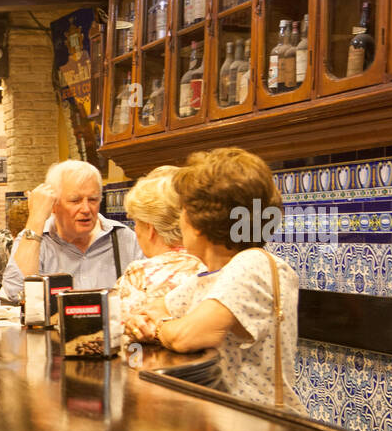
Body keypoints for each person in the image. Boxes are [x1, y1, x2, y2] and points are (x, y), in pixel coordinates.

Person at [124, 147, 304, 411]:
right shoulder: (207, 276)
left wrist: (157, 329)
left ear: (199, 221)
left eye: (183, 210)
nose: (180, 219)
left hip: (260, 430)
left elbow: (189, 335)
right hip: (223, 425)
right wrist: (142, 321)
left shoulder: (254, 264)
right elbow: (149, 311)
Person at [1, 159, 142, 300]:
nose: (86, 209)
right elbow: (16, 292)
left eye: (93, 199)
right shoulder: (36, 239)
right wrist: (36, 218)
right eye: (75, 201)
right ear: (54, 205)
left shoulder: (124, 238)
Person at [113, 165, 205, 317]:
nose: (135, 230)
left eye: (136, 223)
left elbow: (118, 329)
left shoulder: (139, 274)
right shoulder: (211, 266)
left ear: (150, 229)